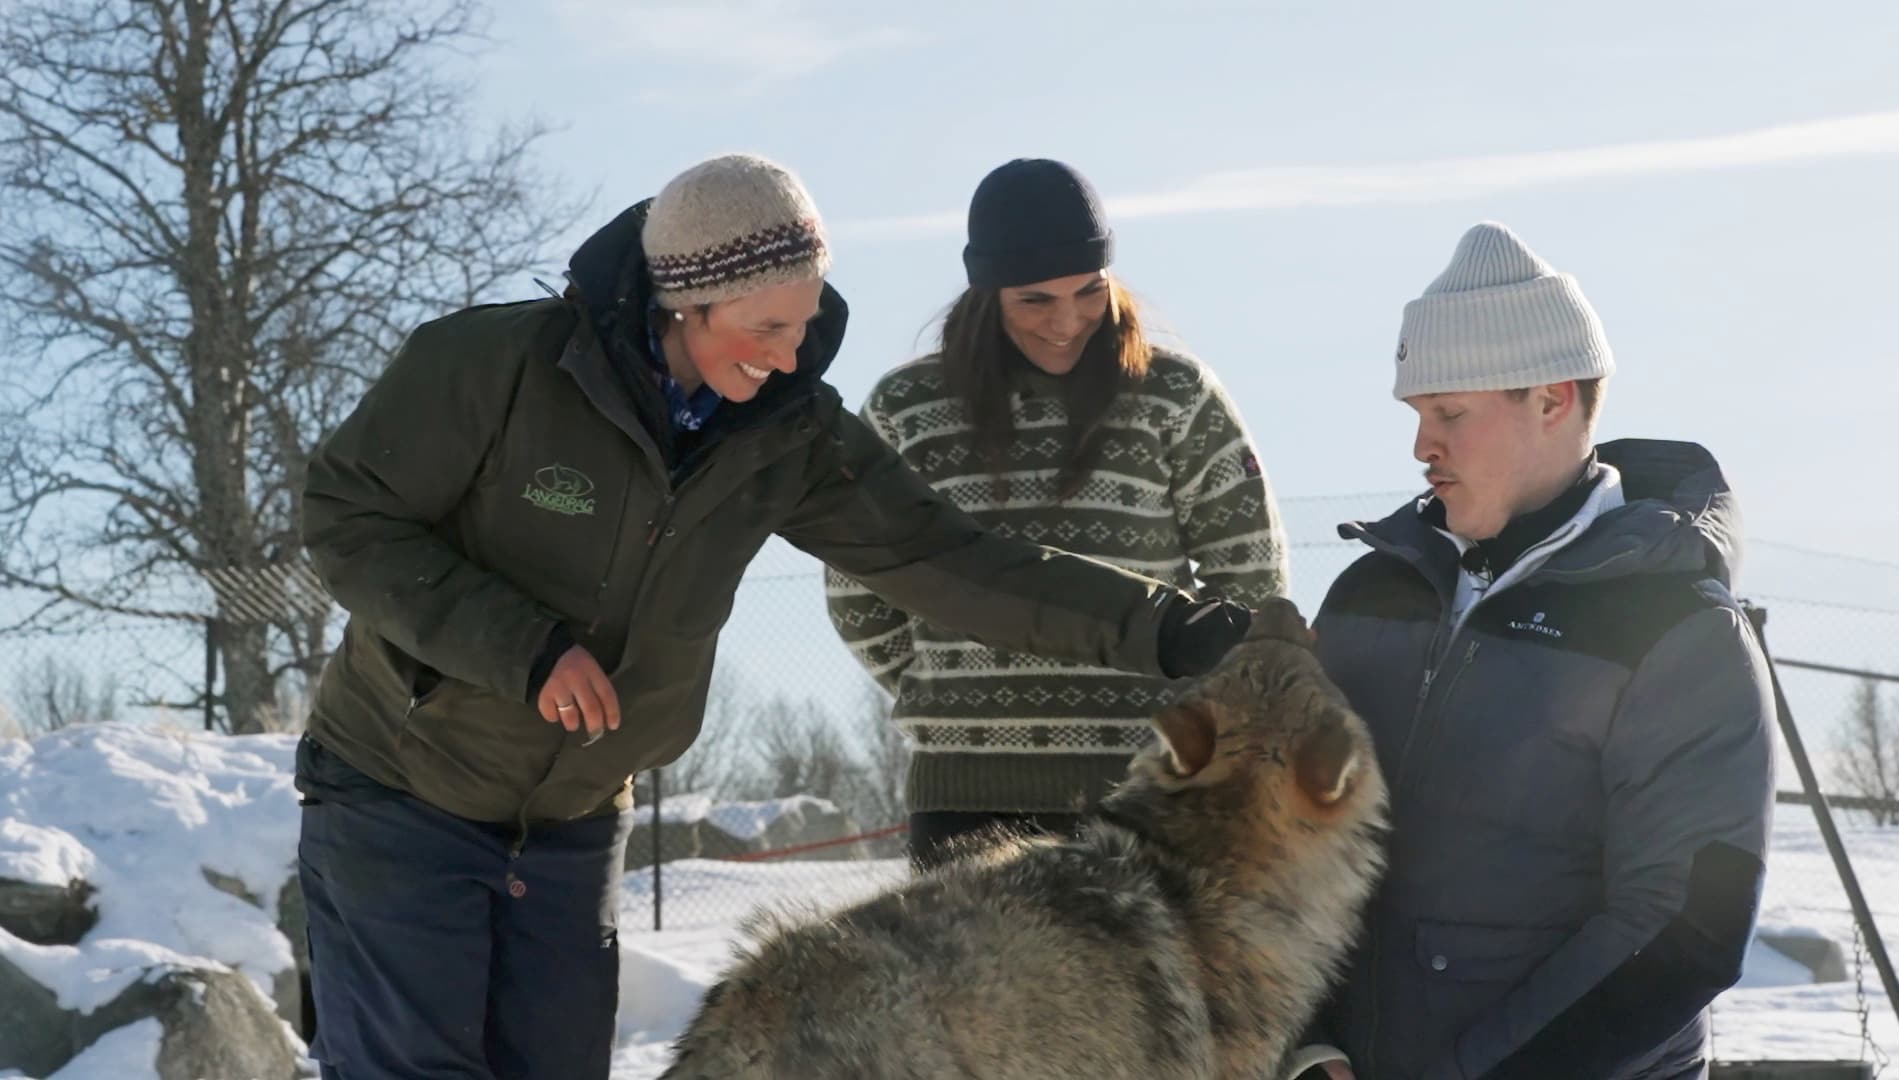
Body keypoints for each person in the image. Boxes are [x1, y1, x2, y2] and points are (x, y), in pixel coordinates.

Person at [295, 153, 1249, 1080]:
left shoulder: (786, 429)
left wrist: (1161, 624)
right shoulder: (496, 365)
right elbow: (349, 516)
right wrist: (525, 649)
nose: (790, 353)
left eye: (805, 324)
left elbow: (944, 558)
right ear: (685, 303)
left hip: (573, 813)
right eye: (765, 326)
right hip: (401, 787)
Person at [1289, 222, 1774, 1080]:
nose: (1420, 447)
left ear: (1552, 400)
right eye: (1416, 415)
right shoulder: (1370, 598)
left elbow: (1687, 926)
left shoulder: (1674, 626)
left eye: (1449, 414)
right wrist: (1307, 1045)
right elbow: (1277, 845)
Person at [825, 158, 1287, 868]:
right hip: (966, 800)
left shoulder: (1174, 395)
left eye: (1089, 292)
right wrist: (944, 692)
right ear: (986, 293)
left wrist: (1198, 714)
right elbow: (859, 582)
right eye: (1034, 300)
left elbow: (1249, 573)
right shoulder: (906, 410)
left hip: (1151, 790)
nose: (1067, 322)